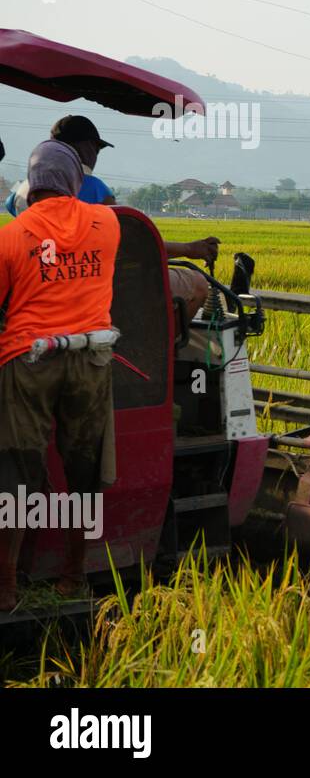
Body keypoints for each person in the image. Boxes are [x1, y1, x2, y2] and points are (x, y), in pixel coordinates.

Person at [0, 141, 121, 610]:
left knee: (17, 474)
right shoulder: (106, 226)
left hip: (29, 362)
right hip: (91, 360)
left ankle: (7, 589)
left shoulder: (13, 235)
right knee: (83, 473)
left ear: (32, 186)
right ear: (73, 179)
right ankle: (73, 578)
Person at [7, 115, 220, 320]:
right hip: (94, 287)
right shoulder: (95, 190)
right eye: (97, 149)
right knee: (197, 283)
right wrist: (189, 249)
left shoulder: (21, 192)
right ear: (85, 147)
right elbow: (133, 245)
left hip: (40, 285)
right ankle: (160, 353)